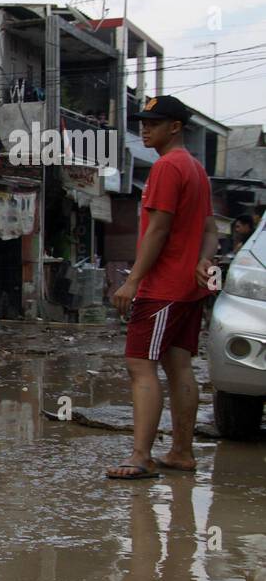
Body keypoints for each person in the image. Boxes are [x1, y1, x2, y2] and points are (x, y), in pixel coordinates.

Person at [107, 96, 218, 479]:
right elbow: (210, 229)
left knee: (140, 365)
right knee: (179, 365)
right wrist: (204, 260)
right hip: (188, 288)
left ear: (175, 127)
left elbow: (158, 229)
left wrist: (133, 281)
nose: (145, 128)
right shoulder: (196, 169)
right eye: (143, 122)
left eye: (154, 123)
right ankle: (181, 453)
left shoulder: (168, 167)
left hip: (162, 288)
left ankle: (140, 456)